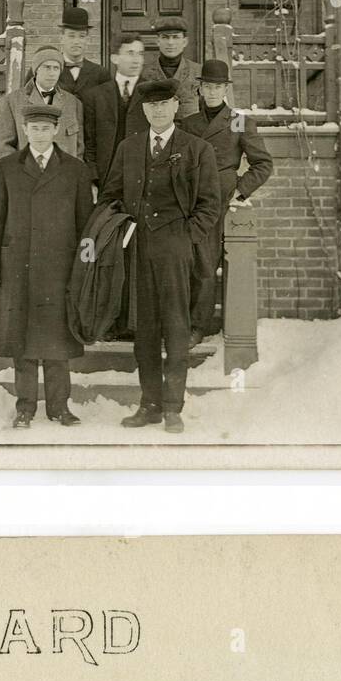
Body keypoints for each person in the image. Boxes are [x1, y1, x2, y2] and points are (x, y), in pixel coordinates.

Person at [99, 79, 220, 434]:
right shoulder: (129, 148)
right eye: (151, 106)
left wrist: (186, 238)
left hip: (177, 251)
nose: (158, 111)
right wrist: (122, 227)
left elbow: (211, 205)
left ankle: (172, 407)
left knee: (176, 327)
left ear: (176, 107)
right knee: (145, 331)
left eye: (164, 104)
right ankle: (149, 404)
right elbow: (111, 195)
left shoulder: (197, 150)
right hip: (139, 250)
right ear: (143, 110)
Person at [0, 104, 95, 429]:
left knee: (57, 343)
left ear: (55, 131)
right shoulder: (8, 168)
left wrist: (85, 266)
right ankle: (25, 408)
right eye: (34, 129)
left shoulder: (74, 169)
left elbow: (85, 224)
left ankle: (59, 407)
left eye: (47, 128)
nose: (41, 134)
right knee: (24, 345)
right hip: (19, 267)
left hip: (60, 270)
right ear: (25, 131)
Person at [180, 58, 274, 344]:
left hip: (218, 200)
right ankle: (179, 321)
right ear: (200, 89)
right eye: (207, 86)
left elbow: (263, 164)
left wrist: (239, 191)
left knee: (206, 263)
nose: (212, 92)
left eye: (218, 86)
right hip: (188, 199)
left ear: (225, 90)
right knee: (183, 260)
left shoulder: (239, 121)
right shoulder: (188, 123)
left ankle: (198, 326)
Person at [0, 46, 84, 161]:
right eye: (47, 67)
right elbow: (2, 147)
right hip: (27, 175)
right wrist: (16, 173)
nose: (52, 73)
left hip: (64, 175)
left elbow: (79, 148)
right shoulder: (11, 102)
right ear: (36, 70)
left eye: (56, 68)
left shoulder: (73, 103)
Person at [82, 34, 148, 186]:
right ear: (114, 58)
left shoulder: (151, 93)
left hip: (142, 178)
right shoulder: (95, 96)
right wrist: (93, 180)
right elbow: (89, 142)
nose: (136, 60)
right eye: (130, 53)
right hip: (106, 178)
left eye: (140, 54)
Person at [141, 17, 202, 119]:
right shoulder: (145, 73)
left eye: (176, 37)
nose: (170, 42)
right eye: (165, 37)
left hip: (189, 132)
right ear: (158, 41)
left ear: (185, 41)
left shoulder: (198, 71)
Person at [56, 6, 109, 103]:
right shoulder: (48, 68)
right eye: (71, 36)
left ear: (87, 39)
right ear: (61, 38)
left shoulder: (101, 74)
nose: (76, 41)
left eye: (82, 36)